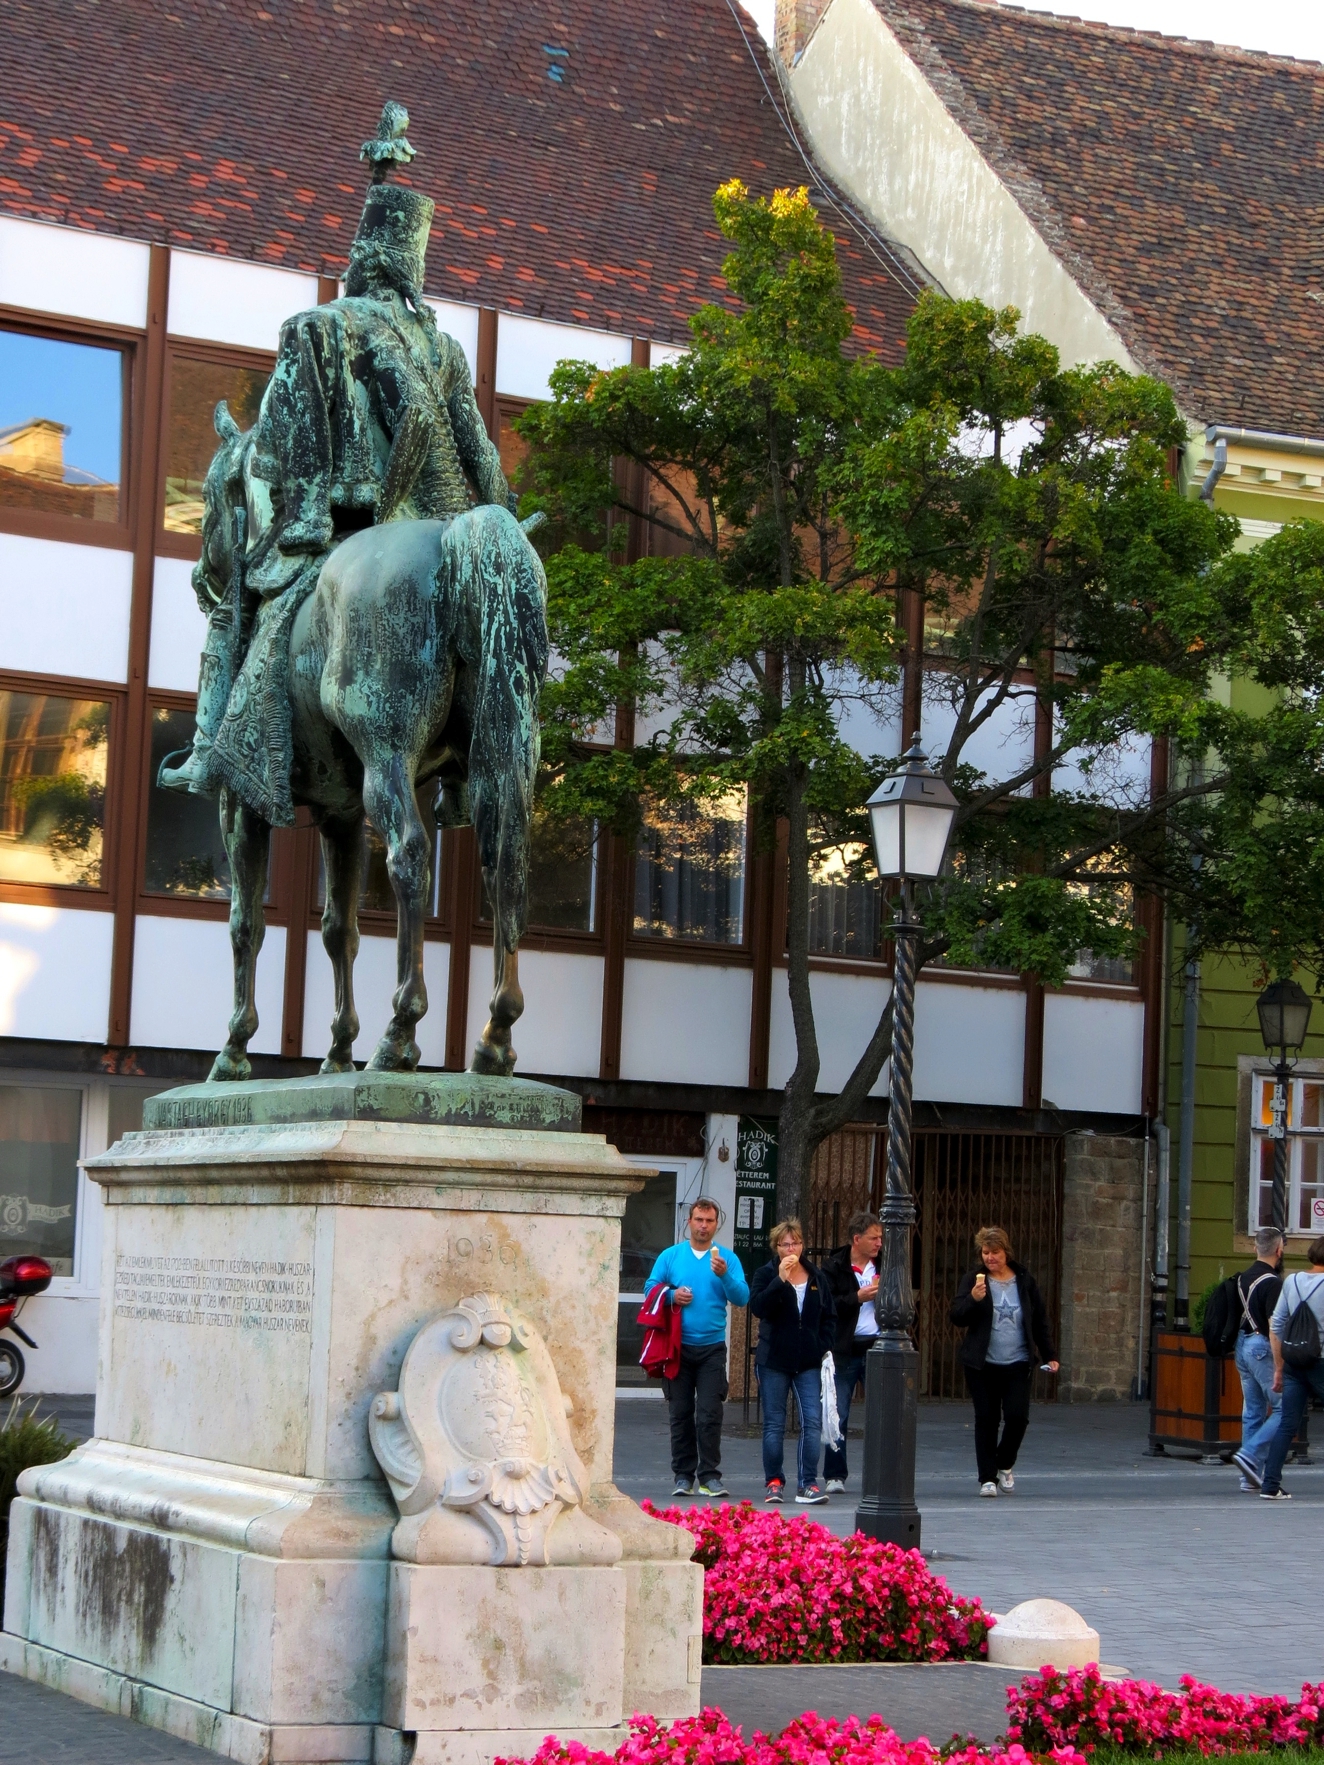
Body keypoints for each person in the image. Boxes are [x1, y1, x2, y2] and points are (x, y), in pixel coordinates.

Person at [644, 1198, 749, 1499]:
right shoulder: (671, 1256)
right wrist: (672, 1296)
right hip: (676, 1348)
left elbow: (742, 1297)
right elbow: (649, 1287)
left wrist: (724, 1275)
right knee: (680, 1413)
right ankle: (682, 1476)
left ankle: (710, 1477)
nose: (703, 1226)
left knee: (709, 1414)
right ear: (688, 1222)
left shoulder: (726, 1259)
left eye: (709, 1221)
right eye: (699, 1219)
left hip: (712, 1349)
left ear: (717, 1225)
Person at [950, 1225, 1058, 1497]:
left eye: (995, 1252)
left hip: (1018, 1362)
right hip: (982, 1364)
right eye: (985, 1252)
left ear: (1006, 1252)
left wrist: (1050, 1355)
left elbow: (1039, 1320)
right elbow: (957, 1316)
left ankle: (1004, 1463)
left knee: (1017, 1417)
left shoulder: (1023, 1280)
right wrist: (973, 1300)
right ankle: (987, 1478)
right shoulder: (974, 1280)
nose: (990, 1258)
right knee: (986, 1418)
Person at [749, 1218, 837, 1505]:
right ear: (777, 1247)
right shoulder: (765, 1273)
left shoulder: (816, 1276)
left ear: (802, 1245)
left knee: (811, 1421)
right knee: (774, 1423)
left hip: (808, 1362)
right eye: (785, 1243)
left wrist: (821, 1344)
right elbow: (759, 1307)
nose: (791, 1248)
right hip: (773, 1359)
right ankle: (774, 1482)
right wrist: (780, 1280)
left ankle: (808, 1483)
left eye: (796, 1242)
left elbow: (830, 1317)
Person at [1258, 1234, 1324, 1501]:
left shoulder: (1292, 1281)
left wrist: (1278, 1367)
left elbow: (1276, 1325)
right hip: (1321, 1361)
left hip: (1294, 1362)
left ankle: (1270, 1485)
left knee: (1287, 1423)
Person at [821, 1210, 882, 1492]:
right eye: (874, 1238)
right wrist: (858, 1297)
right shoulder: (834, 1266)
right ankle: (835, 1474)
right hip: (844, 1348)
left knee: (883, 1412)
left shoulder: (885, 1265)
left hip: (877, 1346)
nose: (879, 1243)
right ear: (857, 1239)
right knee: (839, 1412)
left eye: (881, 1237)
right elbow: (827, 1305)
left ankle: (883, 1473)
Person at [1230, 1227, 1285, 1490]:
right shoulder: (1272, 1282)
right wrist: (1280, 1366)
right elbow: (1275, 1327)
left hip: (1241, 1345)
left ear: (1255, 1248)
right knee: (1285, 1409)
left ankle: (1249, 1478)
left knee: (1252, 1411)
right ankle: (1250, 1455)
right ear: (1279, 1249)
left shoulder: (1244, 1277)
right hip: (1261, 1347)